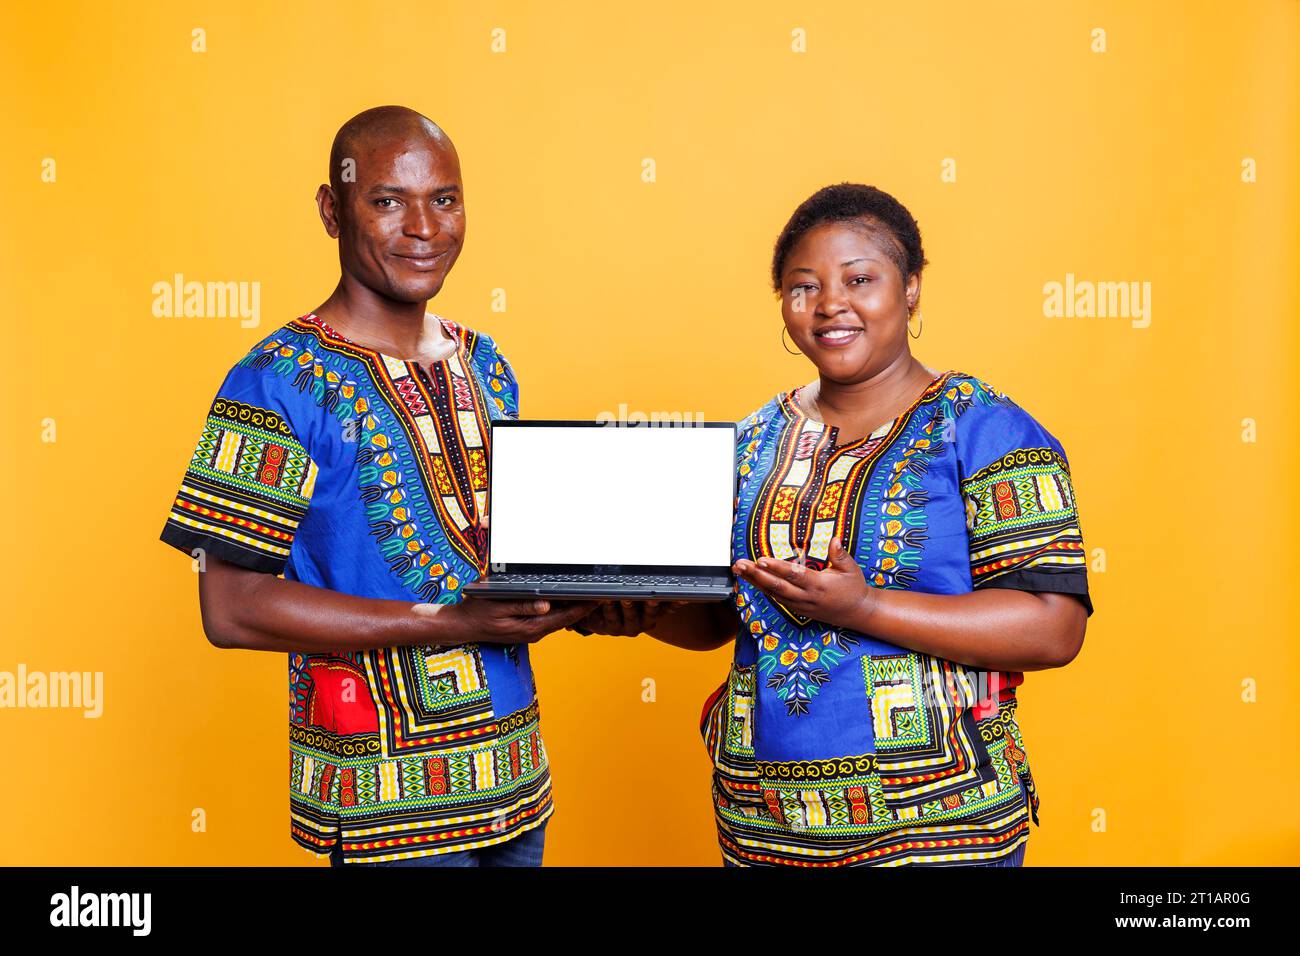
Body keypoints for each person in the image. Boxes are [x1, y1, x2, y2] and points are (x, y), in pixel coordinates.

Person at [594, 183, 1094, 866]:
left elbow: (1053, 627)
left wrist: (865, 606)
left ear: (911, 288)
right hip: (764, 824)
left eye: (859, 279)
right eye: (804, 286)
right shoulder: (750, 441)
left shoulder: (983, 428)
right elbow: (722, 620)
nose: (830, 304)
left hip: (939, 825)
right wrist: (636, 609)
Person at [159, 106, 594, 867]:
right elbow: (230, 610)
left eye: (445, 199)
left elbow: (499, 564)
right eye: (388, 200)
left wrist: (597, 597)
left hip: (516, 786)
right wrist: (453, 624)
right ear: (333, 210)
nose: (424, 227)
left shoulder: (484, 362)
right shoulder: (275, 380)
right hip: (383, 803)